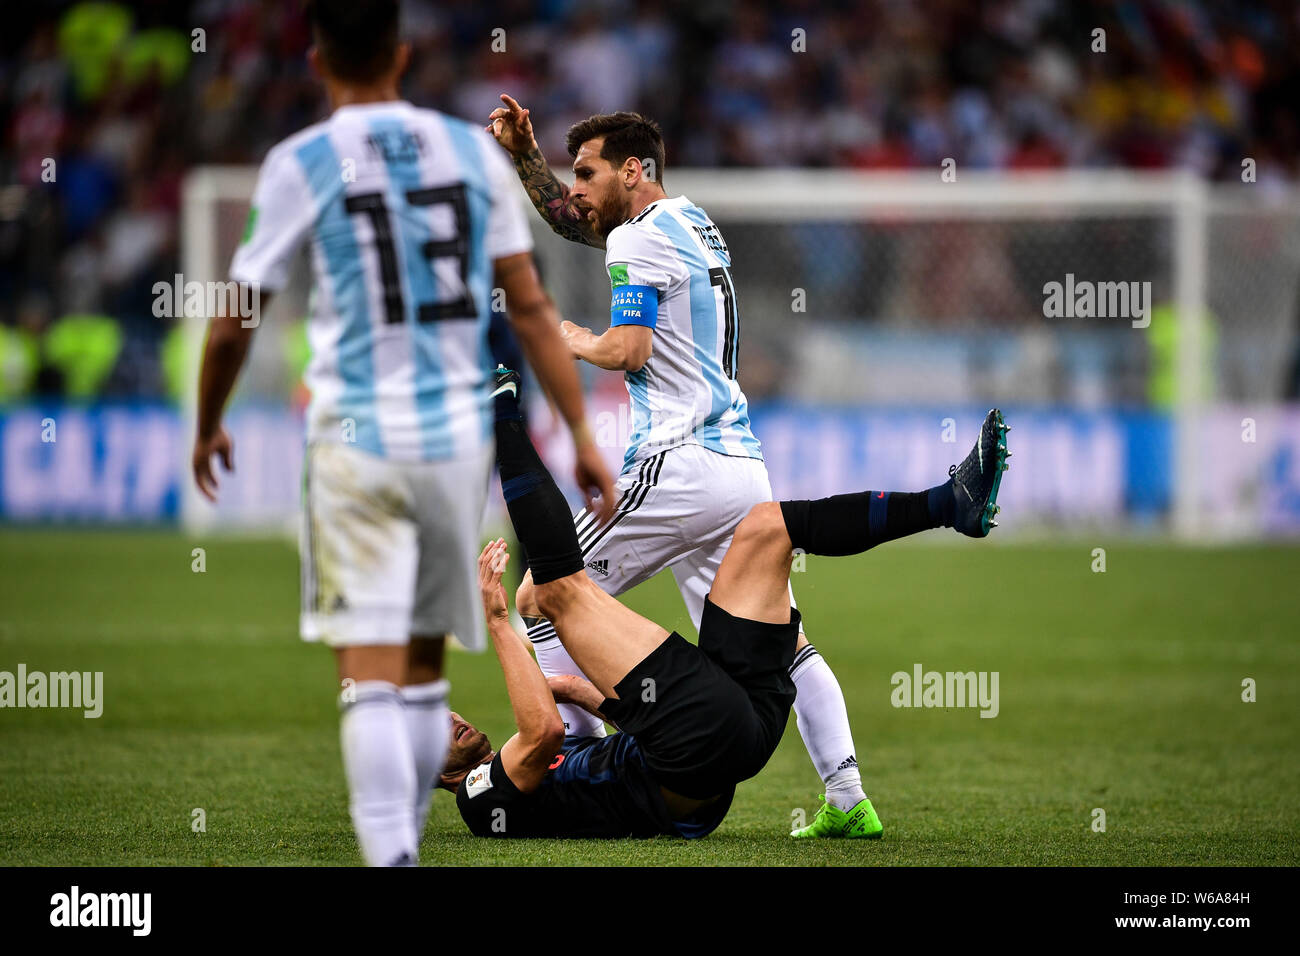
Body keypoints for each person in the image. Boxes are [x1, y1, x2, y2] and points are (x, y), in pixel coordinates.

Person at [191, 0, 614, 866]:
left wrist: (207, 423)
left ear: (316, 61)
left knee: (368, 669)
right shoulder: (466, 152)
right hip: (455, 440)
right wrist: (580, 431)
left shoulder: (300, 160)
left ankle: (393, 858)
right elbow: (530, 308)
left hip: (353, 437)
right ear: (404, 54)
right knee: (422, 665)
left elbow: (237, 313)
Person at [487, 95, 896, 836]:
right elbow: (572, 218)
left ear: (634, 171)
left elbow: (630, 350)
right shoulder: (689, 221)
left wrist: (565, 335)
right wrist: (525, 152)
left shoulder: (635, 241)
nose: (574, 189)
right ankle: (846, 797)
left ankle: (576, 761)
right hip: (740, 464)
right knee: (781, 643)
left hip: (680, 466)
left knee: (543, 597)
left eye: (587, 172)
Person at [438, 368, 1010, 839]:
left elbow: (588, 733)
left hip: (737, 735)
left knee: (769, 529)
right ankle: (502, 412)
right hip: (694, 749)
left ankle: (947, 503)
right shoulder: (476, 797)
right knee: (553, 589)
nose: (453, 720)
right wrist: (496, 623)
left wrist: (565, 686)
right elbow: (543, 735)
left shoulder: (523, 774)